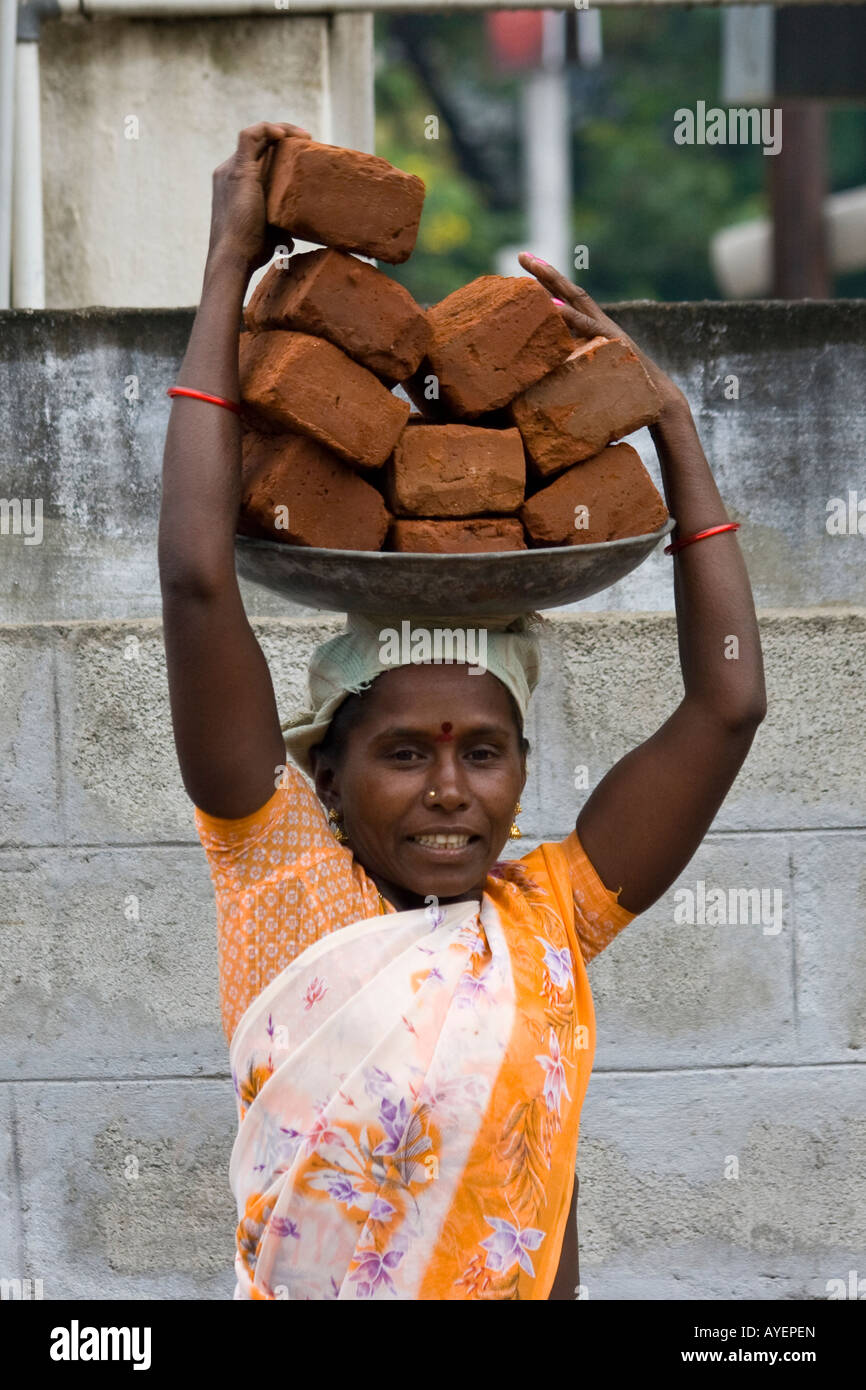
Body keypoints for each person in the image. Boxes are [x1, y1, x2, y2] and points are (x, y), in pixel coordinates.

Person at [158, 122, 767, 1300]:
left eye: (482, 751)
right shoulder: (284, 887)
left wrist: (673, 429)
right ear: (323, 776)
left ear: (522, 765)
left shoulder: (545, 923)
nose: (449, 787)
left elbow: (728, 701)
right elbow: (196, 577)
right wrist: (227, 265)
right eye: (402, 751)